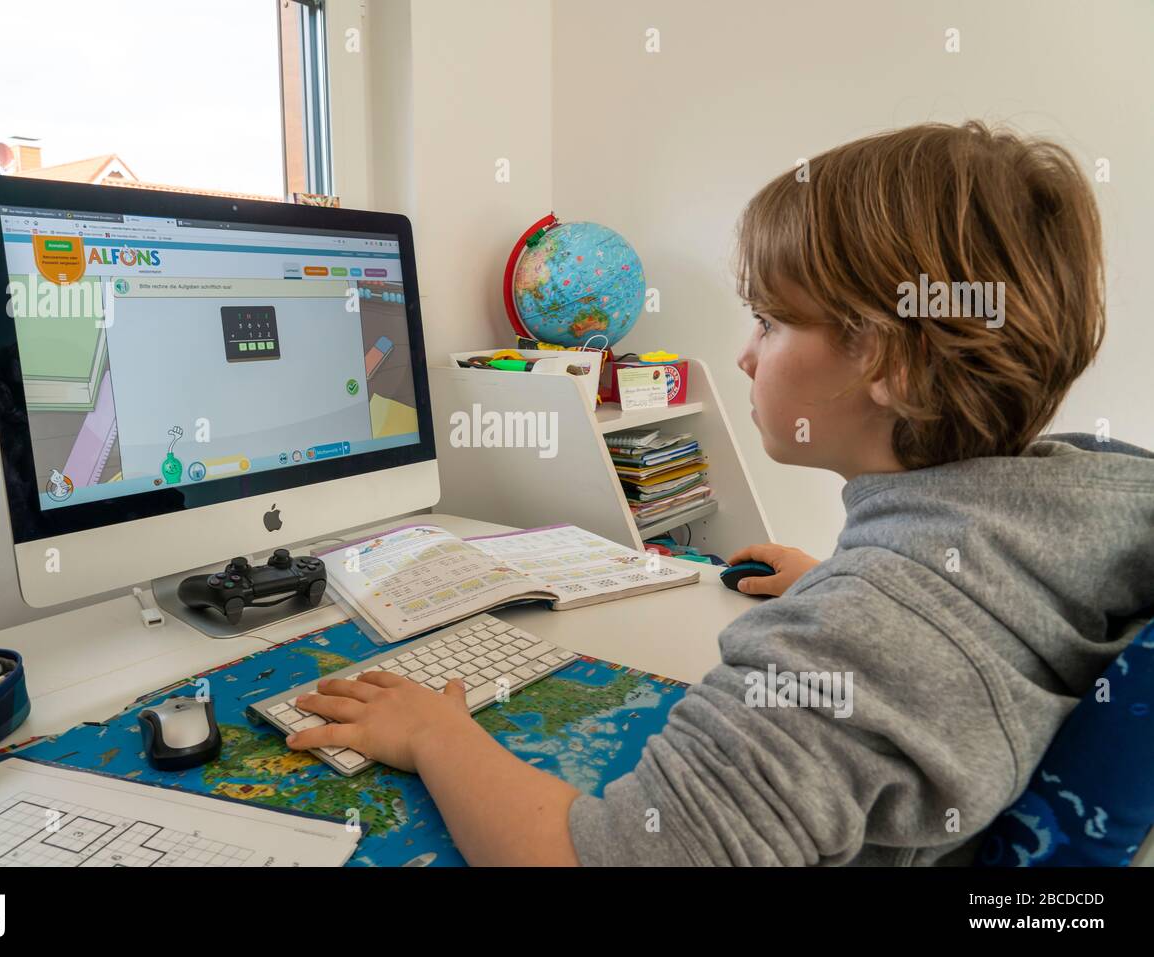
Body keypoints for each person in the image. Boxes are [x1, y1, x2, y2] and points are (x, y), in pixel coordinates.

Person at [286, 121, 1154, 865]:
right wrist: (852, 583)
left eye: (771, 321)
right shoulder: (1087, 497)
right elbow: (963, 634)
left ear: (889, 360)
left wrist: (436, 733)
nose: (743, 355)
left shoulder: (857, 641)